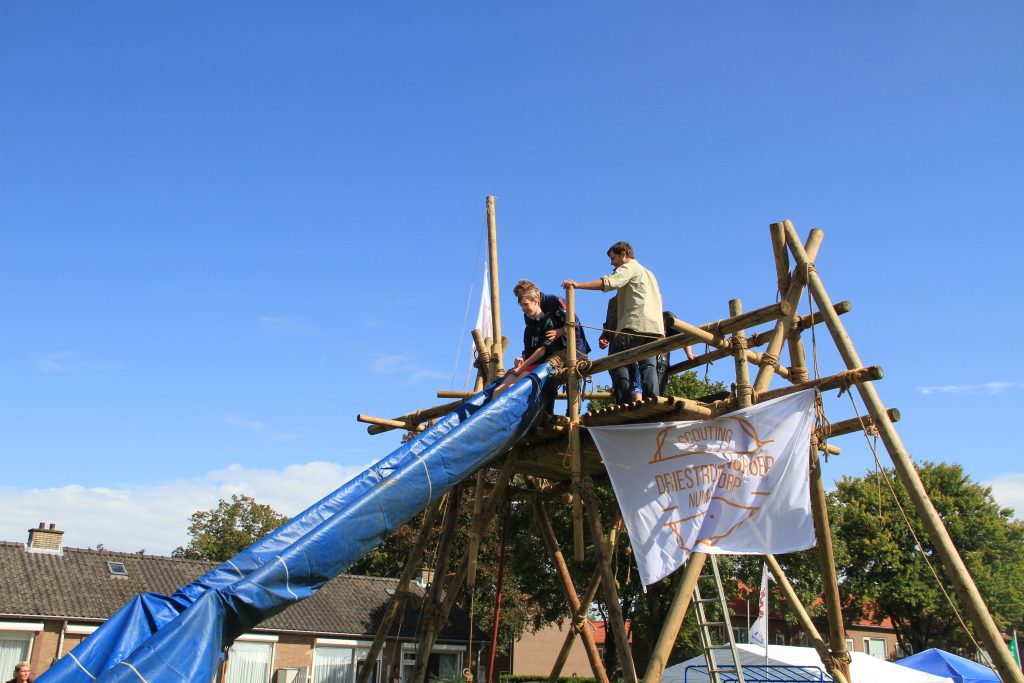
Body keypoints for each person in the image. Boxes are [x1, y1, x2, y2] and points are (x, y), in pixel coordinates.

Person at [563, 241, 664, 399]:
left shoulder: (629, 267)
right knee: (648, 364)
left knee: (614, 362)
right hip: (654, 328)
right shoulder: (648, 273)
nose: (612, 263)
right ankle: (653, 399)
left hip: (634, 325)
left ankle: (624, 402)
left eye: (613, 258)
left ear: (624, 255)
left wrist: (578, 285)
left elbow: (609, 282)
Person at [492, 280, 590, 401]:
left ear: (535, 296)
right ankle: (547, 412)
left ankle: (572, 410)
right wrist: (525, 358)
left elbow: (573, 322)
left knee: (570, 375)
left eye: (524, 300)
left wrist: (560, 331)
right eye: (519, 299)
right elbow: (532, 338)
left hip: (572, 345)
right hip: (551, 349)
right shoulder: (529, 314)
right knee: (548, 378)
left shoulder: (554, 301)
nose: (522, 303)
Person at [600, 296, 643, 404]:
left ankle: (638, 409)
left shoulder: (637, 296)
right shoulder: (613, 302)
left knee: (636, 382)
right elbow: (608, 324)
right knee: (620, 382)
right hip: (616, 350)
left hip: (635, 348)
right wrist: (604, 337)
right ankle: (624, 408)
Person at [658, 310, 696, 395]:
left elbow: (683, 336)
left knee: (658, 389)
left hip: (661, 359)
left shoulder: (666, 316)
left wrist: (689, 354)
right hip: (645, 359)